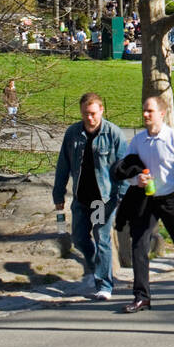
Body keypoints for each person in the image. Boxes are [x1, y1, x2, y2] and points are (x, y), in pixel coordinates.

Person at [118, 94, 174, 311]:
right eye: (144, 110)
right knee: (139, 244)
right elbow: (127, 169)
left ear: (162, 114)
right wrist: (137, 179)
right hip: (146, 200)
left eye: (150, 111)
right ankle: (141, 296)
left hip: (172, 197)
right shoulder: (138, 141)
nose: (145, 114)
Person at [53, 92, 127, 300]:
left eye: (93, 113)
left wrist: (122, 196)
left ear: (102, 110)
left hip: (102, 200)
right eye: (86, 113)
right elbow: (63, 165)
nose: (90, 118)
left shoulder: (113, 134)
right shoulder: (73, 133)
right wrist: (58, 193)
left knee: (102, 238)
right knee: (79, 238)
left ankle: (104, 285)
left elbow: (124, 167)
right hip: (81, 197)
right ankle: (97, 266)